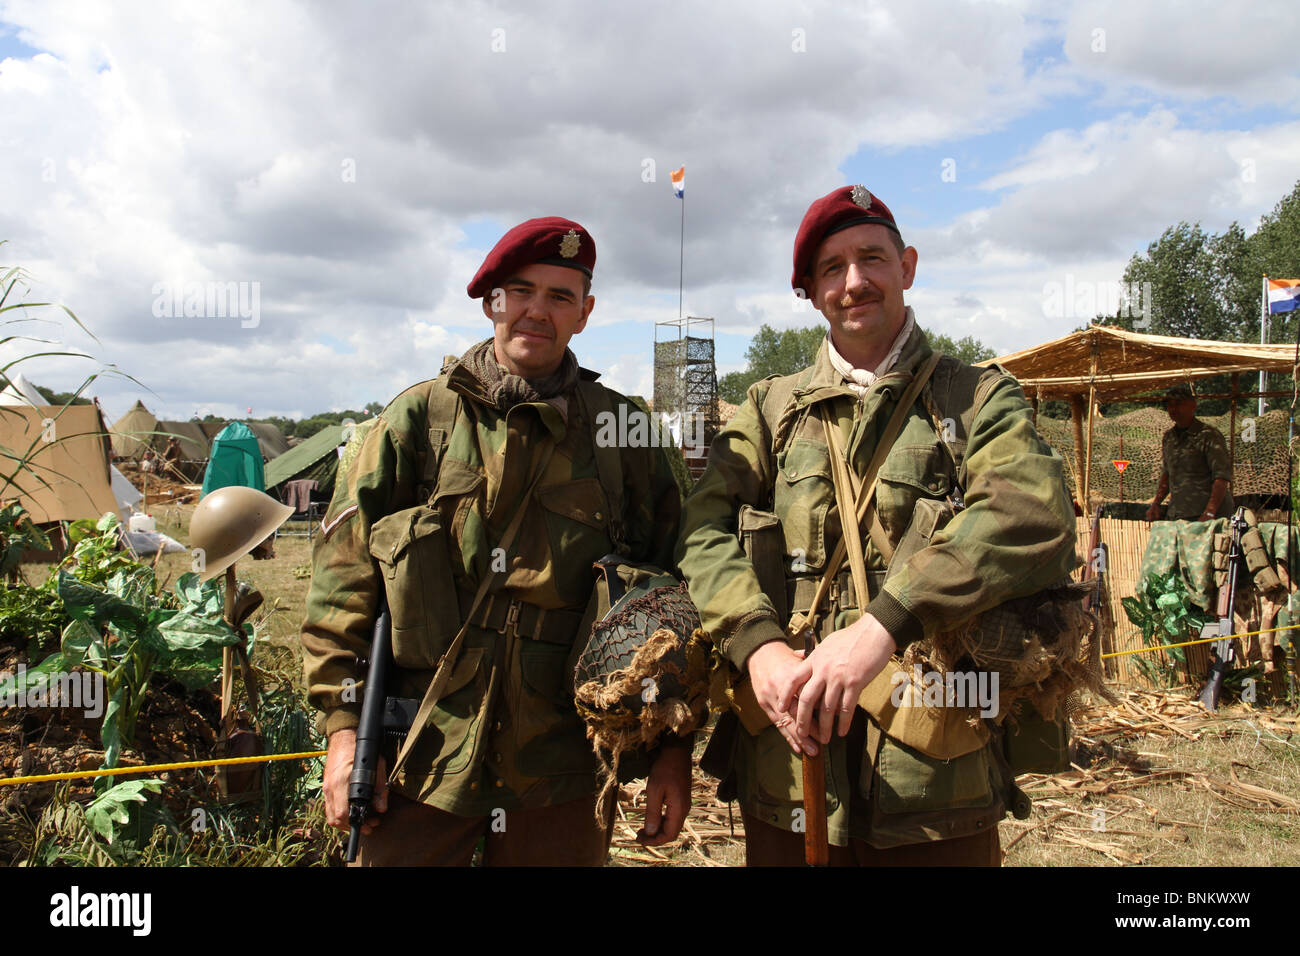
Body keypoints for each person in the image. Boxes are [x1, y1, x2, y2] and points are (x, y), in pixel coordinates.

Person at [676, 185, 1078, 866]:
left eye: (871, 258)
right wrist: (758, 645)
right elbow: (700, 530)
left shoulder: (976, 397)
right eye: (831, 268)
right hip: (788, 765)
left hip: (935, 781)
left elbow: (1031, 513)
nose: (853, 281)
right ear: (809, 290)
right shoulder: (770, 409)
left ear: (908, 266)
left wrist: (884, 625)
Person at [301, 217, 689, 865]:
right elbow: (341, 589)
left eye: (561, 296)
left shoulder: (624, 433)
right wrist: (343, 736)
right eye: (521, 291)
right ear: (491, 303)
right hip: (420, 752)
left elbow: (678, 599)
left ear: (585, 313)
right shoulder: (418, 421)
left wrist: (672, 751)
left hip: (566, 761)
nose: (538, 311)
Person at [1145, 384, 1234, 523]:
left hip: (1206, 516)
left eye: (1179, 404)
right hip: (1179, 514)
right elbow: (1167, 474)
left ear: (1193, 406)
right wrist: (1156, 504)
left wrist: (1210, 513)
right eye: (1170, 405)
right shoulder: (1169, 438)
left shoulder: (1208, 435)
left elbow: (1221, 478)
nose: (1173, 409)